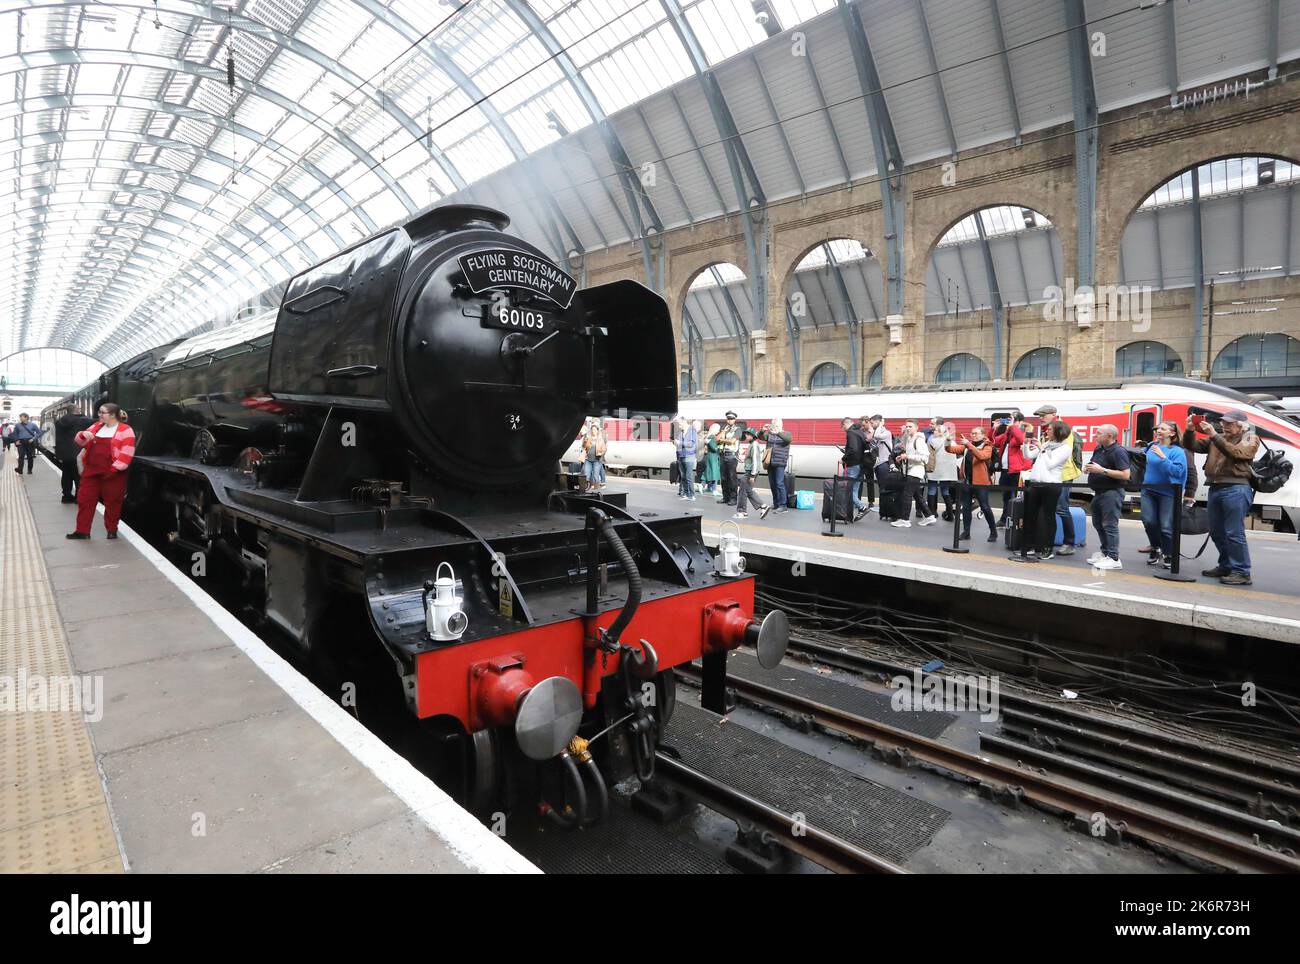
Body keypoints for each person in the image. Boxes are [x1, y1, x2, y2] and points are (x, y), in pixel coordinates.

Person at [1183, 410, 1258, 586]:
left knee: (1234, 532)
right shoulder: (1216, 438)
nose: (1224, 425)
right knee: (1217, 531)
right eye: (1224, 422)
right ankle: (1226, 565)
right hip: (1215, 487)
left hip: (1237, 487)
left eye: (1229, 423)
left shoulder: (1250, 437)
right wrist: (1189, 430)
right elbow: (1192, 445)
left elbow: (1239, 454)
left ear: (1241, 425)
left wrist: (1215, 435)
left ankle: (1241, 571)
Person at [67, 403, 135, 540]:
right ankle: (82, 531)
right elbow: (79, 442)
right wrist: (82, 434)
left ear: (112, 415)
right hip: (91, 472)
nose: (99, 415)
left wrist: (114, 469)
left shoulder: (125, 430)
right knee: (84, 500)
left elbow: (127, 453)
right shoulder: (96, 426)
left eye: (102, 412)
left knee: (112, 503)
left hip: (113, 473)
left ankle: (111, 530)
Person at [1016, 421, 1073, 561]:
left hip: (1051, 485)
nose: (1047, 431)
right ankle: (1029, 546)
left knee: (1048, 517)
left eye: (1050, 429)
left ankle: (1047, 549)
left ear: (1058, 431)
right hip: (1035, 484)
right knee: (1030, 516)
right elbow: (1028, 456)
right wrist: (1025, 443)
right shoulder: (1046, 444)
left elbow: (1051, 464)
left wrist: (1041, 448)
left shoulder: (1065, 448)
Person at [1139, 420, 1188, 569]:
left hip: (1168, 493)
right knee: (1149, 522)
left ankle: (1169, 554)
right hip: (1148, 490)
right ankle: (1155, 548)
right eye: (1158, 428)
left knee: (1166, 526)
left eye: (1163, 429)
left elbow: (1178, 472)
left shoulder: (1177, 451)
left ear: (1172, 433)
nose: (1158, 431)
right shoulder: (1151, 447)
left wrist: (1163, 458)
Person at [1035, 404, 1081, 555]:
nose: (1040, 418)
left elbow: (1059, 456)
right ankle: (1047, 540)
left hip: (1062, 475)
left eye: (1044, 415)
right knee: (1051, 509)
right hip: (1050, 476)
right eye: (1039, 415)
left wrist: (1042, 449)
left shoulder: (1062, 430)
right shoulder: (1048, 431)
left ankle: (1069, 542)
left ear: (1054, 414)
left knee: (1061, 508)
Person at [1084, 423, 1130, 570]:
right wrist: (1089, 468)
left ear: (1109, 436)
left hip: (1112, 492)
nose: (1095, 435)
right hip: (1099, 492)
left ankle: (1114, 558)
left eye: (1098, 433)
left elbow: (1125, 474)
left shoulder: (1118, 451)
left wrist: (1101, 470)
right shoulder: (1099, 448)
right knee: (1098, 523)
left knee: (1110, 525)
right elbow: (1095, 465)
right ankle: (1105, 553)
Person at [949, 425, 998, 542]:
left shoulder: (987, 446)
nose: (973, 435)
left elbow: (981, 456)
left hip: (981, 482)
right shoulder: (966, 447)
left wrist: (968, 444)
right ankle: (966, 532)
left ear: (983, 435)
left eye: (976, 433)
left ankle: (993, 531)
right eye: (972, 433)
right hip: (967, 481)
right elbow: (950, 450)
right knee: (966, 508)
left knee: (985, 507)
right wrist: (947, 440)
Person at [892, 420, 937, 528]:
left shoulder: (919, 440)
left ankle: (905, 519)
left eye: (910, 426)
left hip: (916, 471)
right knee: (917, 495)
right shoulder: (910, 439)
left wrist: (908, 457)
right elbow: (911, 454)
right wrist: (903, 457)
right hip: (911, 470)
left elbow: (924, 457)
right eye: (906, 426)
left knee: (907, 495)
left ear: (916, 427)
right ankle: (929, 516)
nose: (907, 428)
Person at [992, 411, 1029, 527]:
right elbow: (993, 442)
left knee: (1018, 498)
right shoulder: (1007, 434)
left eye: (1014, 420)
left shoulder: (1025, 432)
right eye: (1009, 420)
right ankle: (1005, 520)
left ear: (1021, 422)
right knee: (1006, 497)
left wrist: (1013, 426)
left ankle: (1018, 521)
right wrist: (994, 429)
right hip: (1006, 470)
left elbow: (1021, 440)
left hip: (1017, 471)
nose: (1010, 422)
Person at [55, 409, 95, 503]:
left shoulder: (59, 422)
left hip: (65, 455)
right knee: (78, 477)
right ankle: (78, 497)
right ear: (77, 411)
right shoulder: (82, 420)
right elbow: (99, 422)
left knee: (66, 476)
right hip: (76, 453)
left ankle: (66, 496)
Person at [733, 429, 772, 520]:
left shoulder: (754, 445)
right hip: (750, 471)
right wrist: (743, 460)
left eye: (748, 434)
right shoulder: (752, 444)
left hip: (750, 472)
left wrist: (753, 475)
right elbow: (752, 459)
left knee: (742, 491)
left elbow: (755, 460)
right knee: (748, 491)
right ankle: (763, 506)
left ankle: (742, 512)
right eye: (746, 433)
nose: (746, 435)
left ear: (752, 435)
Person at [759, 418, 792, 513]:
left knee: (779, 483)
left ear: (781, 425)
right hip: (770, 462)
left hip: (780, 462)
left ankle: (783, 505)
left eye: (777, 425)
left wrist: (777, 432)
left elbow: (788, 439)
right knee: (773, 484)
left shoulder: (786, 434)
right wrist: (763, 430)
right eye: (773, 425)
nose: (775, 427)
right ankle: (776, 503)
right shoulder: (770, 435)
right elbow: (760, 437)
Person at [927, 421, 959, 520]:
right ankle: (950, 514)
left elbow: (929, 455)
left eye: (936, 430)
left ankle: (932, 513)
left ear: (941, 432)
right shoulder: (953, 442)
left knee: (932, 490)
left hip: (935, 469)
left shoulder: (933, 441)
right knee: (945, 491)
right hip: (947, 471)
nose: (934, 432)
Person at [841, 416, 870, 521]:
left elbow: (853, 449)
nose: (842, 429)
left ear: (845, 424)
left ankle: (862, 507)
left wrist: (844, 458)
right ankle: (849, 513)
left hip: (853, 466)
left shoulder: (851, 433)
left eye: (842, 426)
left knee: (846, 490)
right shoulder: (859, 432)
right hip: (860, 466)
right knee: (854, 490)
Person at [718, 411, 740, 505]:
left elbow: (732, 441)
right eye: (728, 418)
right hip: (723, 454)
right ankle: (725, 497)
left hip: (731, 455)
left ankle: (733, 498)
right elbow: (716, 439)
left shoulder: (738, 429)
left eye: (731, 419)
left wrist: (722, 440)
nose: (729, 420)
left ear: (735, 420)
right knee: (723, 478)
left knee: (732, 478)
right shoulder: (725, 428)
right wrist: (723, 432)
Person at [868, 414, 893, 494]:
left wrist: (880, 425)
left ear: (878, 422)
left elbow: (877, 436)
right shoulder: (875, 433)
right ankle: (883, 505)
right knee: (881, 487)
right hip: (877, 464)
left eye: (872, 423)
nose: (871, 425)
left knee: (885, 487)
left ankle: (887, 505)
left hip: (884, 463)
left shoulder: (887, 433)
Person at [857, 414, 878, 513]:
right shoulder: (861, 431)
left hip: (870, 459)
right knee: (859, 481)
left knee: (870, 481)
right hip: (861, 459)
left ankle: (871, 502)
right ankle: (858, 500)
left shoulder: (874, 432)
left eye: (864, 425)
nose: (862, 427)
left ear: (868, 422)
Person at [674, 416, 697, 502]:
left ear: (684, 422)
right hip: (681, 455)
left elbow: (691, 444)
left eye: (680, 424)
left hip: (689, 456)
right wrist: (676, 443)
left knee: (688, 476)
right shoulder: (681, 431)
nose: (679, 426)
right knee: (683, 476)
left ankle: (692, 495)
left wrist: (680, 443)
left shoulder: (692, 430)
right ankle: (686, 494)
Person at [581, 418, 607, 493]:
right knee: (587, 474)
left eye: (595, 430)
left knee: (596, 475)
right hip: (588, 459)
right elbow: (583, 447)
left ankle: (596, 491)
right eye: (592, 430)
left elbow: (604, 449)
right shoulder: (588, 438)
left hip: (597, 460)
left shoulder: (600, 439)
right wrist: (585, 442)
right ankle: (586, 489)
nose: (593, 431)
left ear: (597, 431)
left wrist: (600, 453)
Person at [701, 423, 722, 497]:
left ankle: (705, 486)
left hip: (709, 456)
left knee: (709, 471)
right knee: (715, 472)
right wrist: (720, 449)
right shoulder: (712, 437)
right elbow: (714, 448)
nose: (719, 431)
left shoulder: (708, 436)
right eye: (718, 429)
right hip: (713, 456)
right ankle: (714, 490)